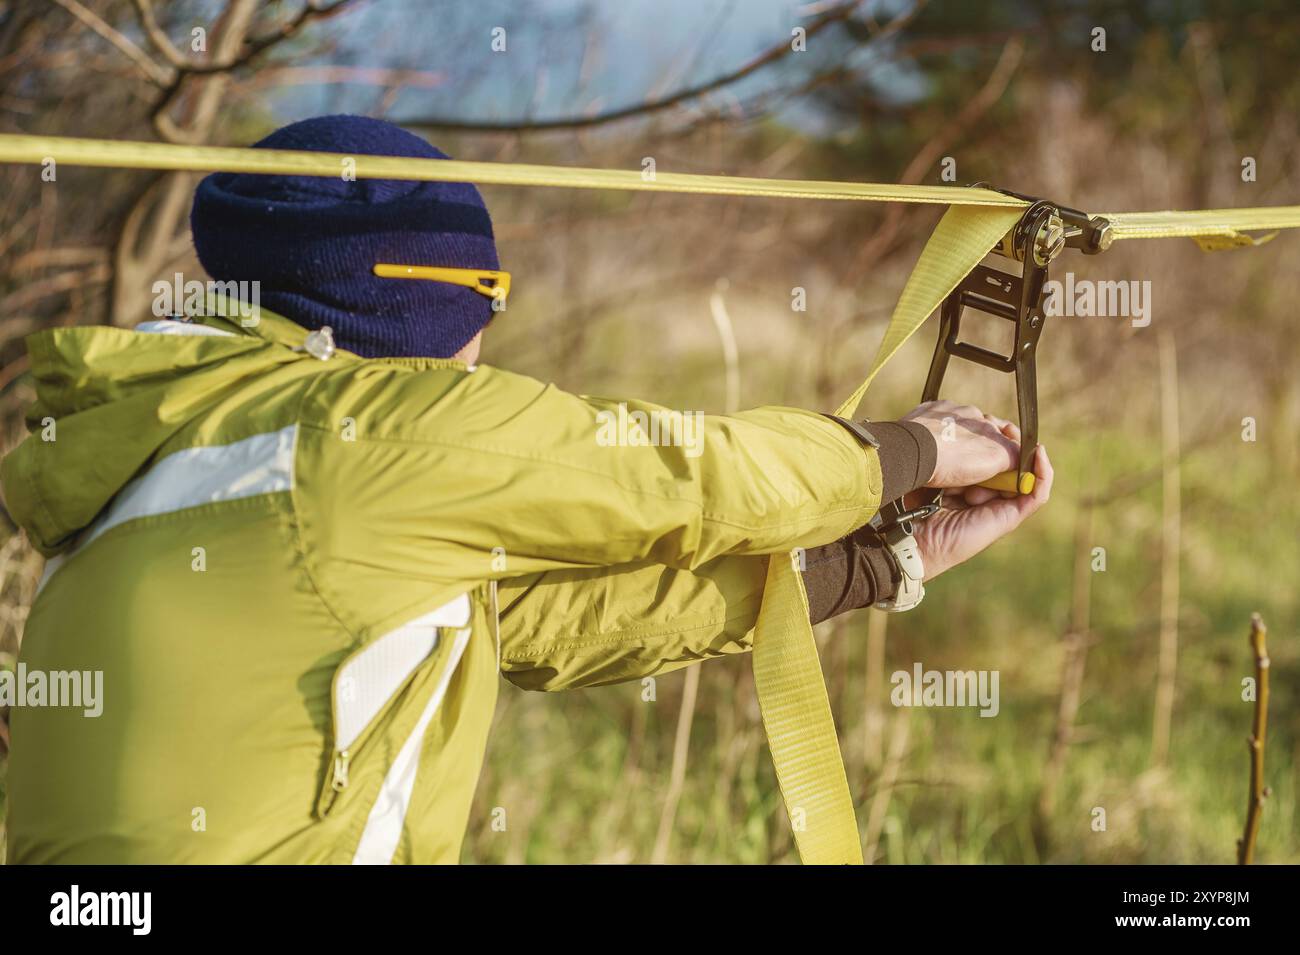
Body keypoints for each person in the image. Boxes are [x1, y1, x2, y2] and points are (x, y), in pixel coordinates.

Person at [0, 115, 1051, 864]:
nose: (496, 324)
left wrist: (876, 563)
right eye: (489, 291)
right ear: (416, 303)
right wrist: (905, 451)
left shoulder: (178, 441)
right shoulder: (371, 434)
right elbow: (684, 470)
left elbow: (545, 622)